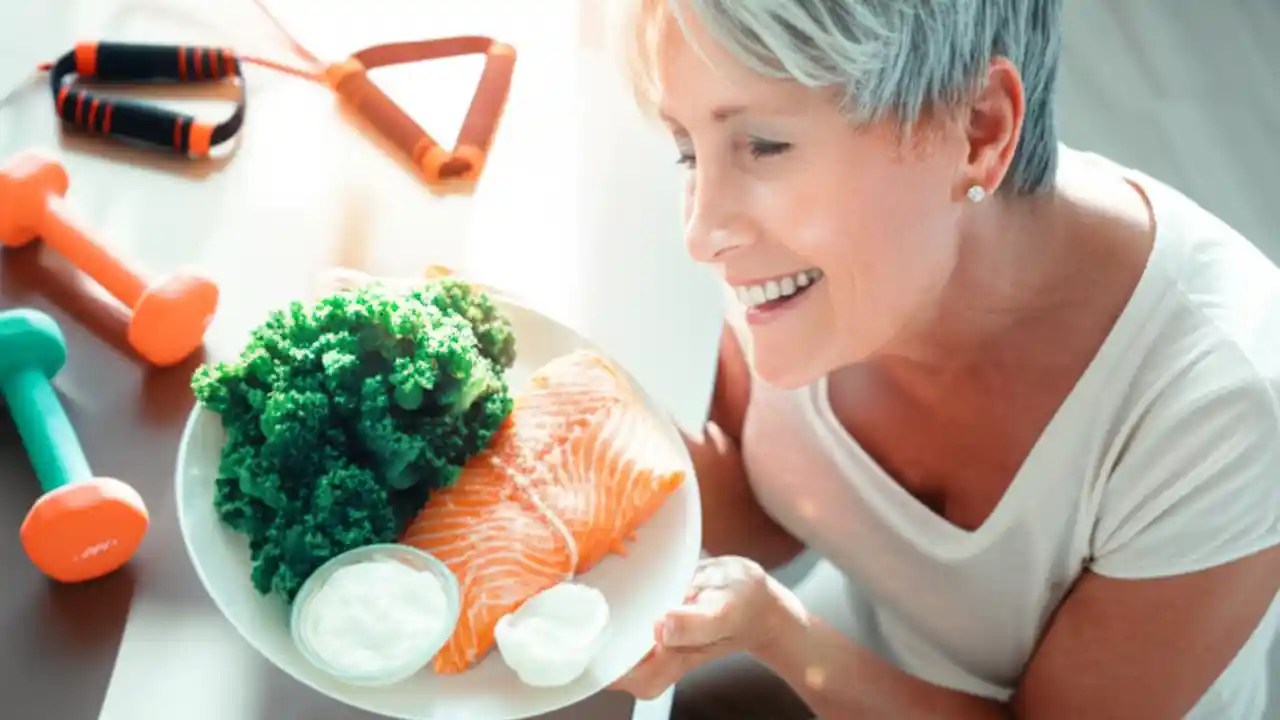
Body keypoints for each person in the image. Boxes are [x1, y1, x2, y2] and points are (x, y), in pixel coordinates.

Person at [600, 1, 1280, 718]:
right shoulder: (820, 263)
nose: (702, 232)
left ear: (978, 129)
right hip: (841, 658)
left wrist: (782, 635)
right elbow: (767, 503)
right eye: (686, 147)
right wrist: (584, 442)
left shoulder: (1225, 409)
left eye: (764, 145)